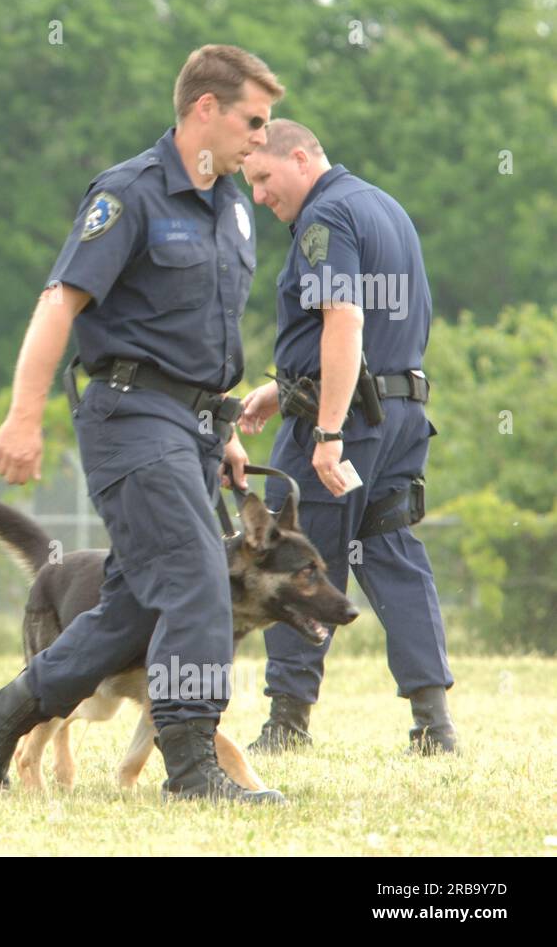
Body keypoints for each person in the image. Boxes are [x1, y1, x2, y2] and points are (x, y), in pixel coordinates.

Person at [0, 45, 287, 802]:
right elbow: (59, 305)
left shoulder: (233, 204)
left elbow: (205, 335)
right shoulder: (130, 194)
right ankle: (194, 766)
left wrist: (225, 425)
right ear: (205, 109)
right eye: (253, 121)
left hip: (195, 429)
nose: (261, 140)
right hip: (130, 420)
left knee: (133, 611)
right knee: (201, 577)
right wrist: (21, 416)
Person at [238, 119, 456, 753]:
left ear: (300, 157)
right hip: (401, 415)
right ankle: (433, 722)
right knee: (392, 554)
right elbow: (377, 335)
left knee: (288, 557)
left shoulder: (323, 218)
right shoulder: (382, 207)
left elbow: (343, 317)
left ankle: (287, 721)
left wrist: (327, 428)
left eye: (262, 178)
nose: (257, 195)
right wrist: (285, 388)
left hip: (346, 424)